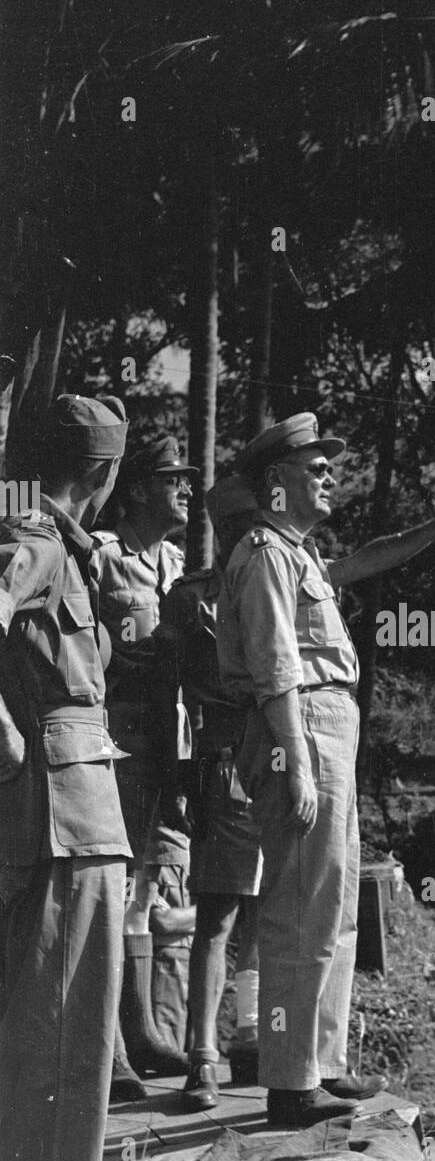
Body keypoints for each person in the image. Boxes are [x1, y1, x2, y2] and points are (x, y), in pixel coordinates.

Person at [218, 411, 435, 1128]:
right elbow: (275, 666)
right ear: (277, 481)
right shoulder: (266, 554)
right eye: (316, 466)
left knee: (332, 909)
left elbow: (365, 559)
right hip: (297, 726)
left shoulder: (297, 554)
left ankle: (320, 1066)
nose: (329, 474)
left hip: (327, 726)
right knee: (300, 908)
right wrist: (296, 762)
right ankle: (289, 1081)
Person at [0, 393, 132, 1161]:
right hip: (63, 810)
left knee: (49, 1030)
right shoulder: (40, 543)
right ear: (105, 471)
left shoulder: (60, 544)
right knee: (64, 1034)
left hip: (67, 800)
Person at [93, 437, 197, 1097]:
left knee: (163, 887)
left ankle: (161, 1034)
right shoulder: (103, 558)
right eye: (171, 478)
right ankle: (118, 1048)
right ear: (134, 491)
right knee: (118, 890)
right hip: (122, 738)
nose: (186, 488)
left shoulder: (180, 564)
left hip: (174, 742)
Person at [155, 475, 262, 1113]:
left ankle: (253, 1038)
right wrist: (174, 778)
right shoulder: (193, 597)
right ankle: (203, 1058)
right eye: (244, 525)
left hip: (284, 759)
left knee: (266, 913)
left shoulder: (284, 578)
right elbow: (170, 691)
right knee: (217, 918)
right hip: (226, 765)